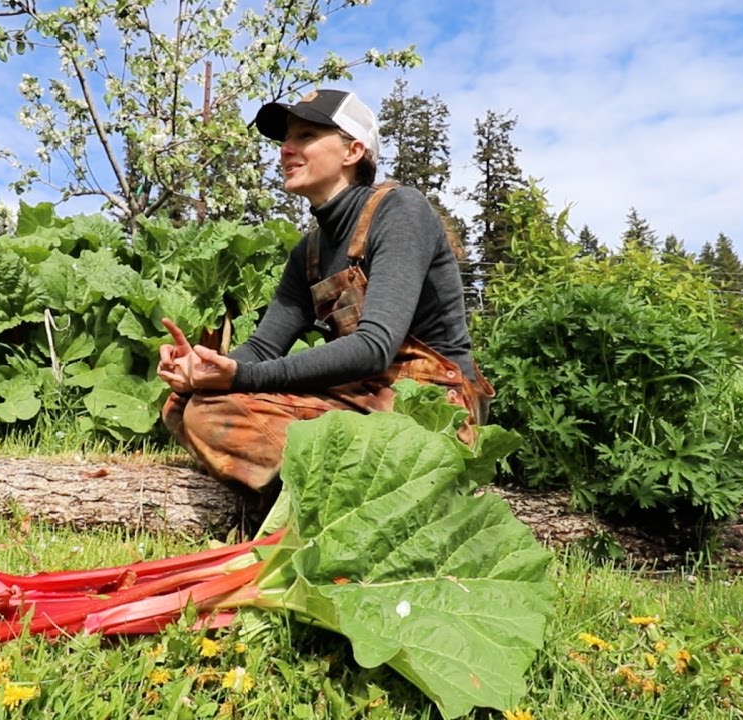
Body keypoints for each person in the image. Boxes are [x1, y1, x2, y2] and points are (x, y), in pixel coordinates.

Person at [158, 88, 493, 492]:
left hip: (430, 407)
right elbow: (263, 350)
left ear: (352, 151)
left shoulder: (401, 210)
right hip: (363, 400)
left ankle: (366, 489)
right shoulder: (310, 251)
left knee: (209, 413)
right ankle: (347, 489)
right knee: (187, 405)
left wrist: (242, 378)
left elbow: (374, 347)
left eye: (305, 136)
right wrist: (203, 367)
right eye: (285, 139)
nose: (286, 149)